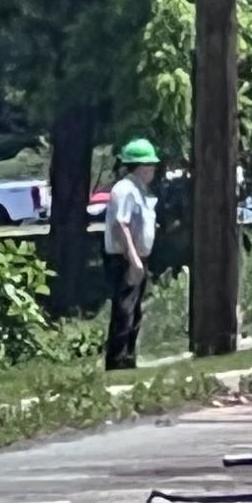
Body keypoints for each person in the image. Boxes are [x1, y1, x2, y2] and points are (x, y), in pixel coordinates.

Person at [103, 138, 161, 371]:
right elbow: (120, 224)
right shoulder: (125, 190)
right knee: (125, 310)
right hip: (125, 258)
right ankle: (117, 361)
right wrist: (134, 258)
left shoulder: (139, 189)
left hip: (136, 258)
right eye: (150, 166)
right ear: (141, 166)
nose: (153, 171)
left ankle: (128, 357)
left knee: (134, 311)